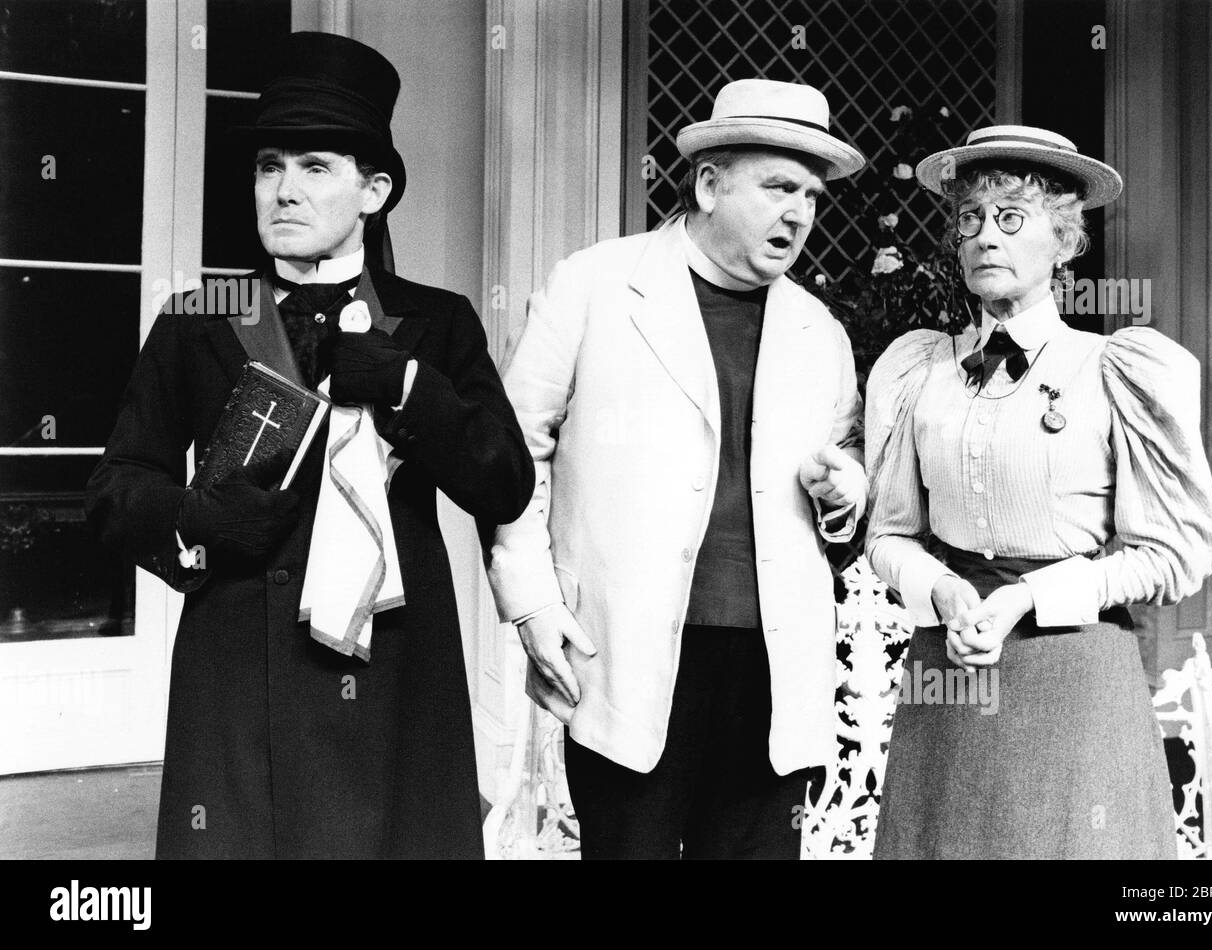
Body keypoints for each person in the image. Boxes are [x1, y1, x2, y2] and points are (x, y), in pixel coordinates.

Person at [85, 32, 533, 859]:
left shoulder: (436, 320)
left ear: (376, 190)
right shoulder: (199, 316)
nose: (282, 191)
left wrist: (406, 387)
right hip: (239, 676)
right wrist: (193, 517)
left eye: (314, 166)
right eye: (268, 167)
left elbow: (503, 483)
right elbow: (116, 488)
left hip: (397, 673)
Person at [486, 79, 868, 860]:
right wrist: (531, 602)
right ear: (707, 183)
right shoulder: (593, 285)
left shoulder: (817, 331)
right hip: (627, 657)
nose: (797, 213)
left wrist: (844, 492)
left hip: (771, 673)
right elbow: (511, 452)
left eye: (810, 195)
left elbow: (847, 470)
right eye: (775, 187)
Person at [863, 125, 1212, 859]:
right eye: (971, 220)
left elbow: (1173, 553)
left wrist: (1029, 597)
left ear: (1062, 241)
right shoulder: (917, 372)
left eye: (1012, 219)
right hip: (951, 675)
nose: (986, 238)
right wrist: (943, 590)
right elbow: (887, 535)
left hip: (1075, 678)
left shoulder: (1116, 369)